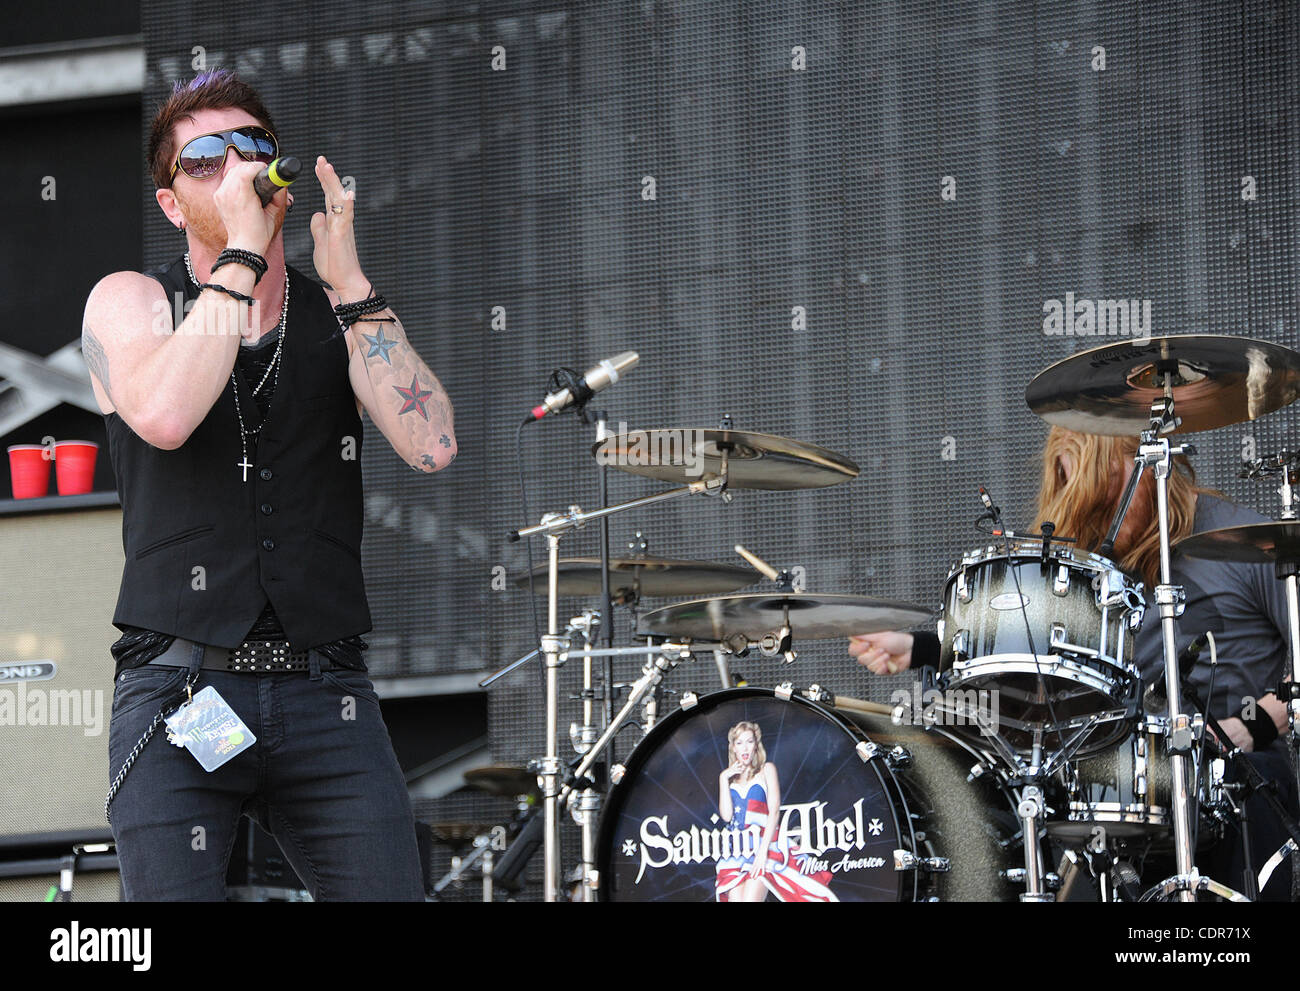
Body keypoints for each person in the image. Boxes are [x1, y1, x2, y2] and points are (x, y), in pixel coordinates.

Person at [81, 70, 455, 900]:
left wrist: (354, 290)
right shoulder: (133, 302)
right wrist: (244, 257)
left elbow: (432, 446)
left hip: (327, 693)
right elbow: (168, 414)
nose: (239, 166)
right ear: (172, 203)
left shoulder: (334, 313)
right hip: (178, 687)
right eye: (205, 157)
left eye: (253, 147)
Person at [849, 425, 1297, 900]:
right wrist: (919, 646)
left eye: (1107, 495)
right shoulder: (1092, 570)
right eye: (1084, 501)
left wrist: (1248, 726)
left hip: (1237, 787)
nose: (1102, 518)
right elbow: (1029, 650)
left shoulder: (1244, 543)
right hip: (1123, 804)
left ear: (1147, 464)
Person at [715, 721, 836, 901]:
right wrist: (723, 778)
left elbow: (774, 812)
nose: (745, 747)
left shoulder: (766, 769)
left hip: (765, 847)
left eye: (749, 741)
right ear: (733, 748)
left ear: (756, 745)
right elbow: (726, 816)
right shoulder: (730, 779)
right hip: (738, 852)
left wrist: (762, 853)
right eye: (739, 743)